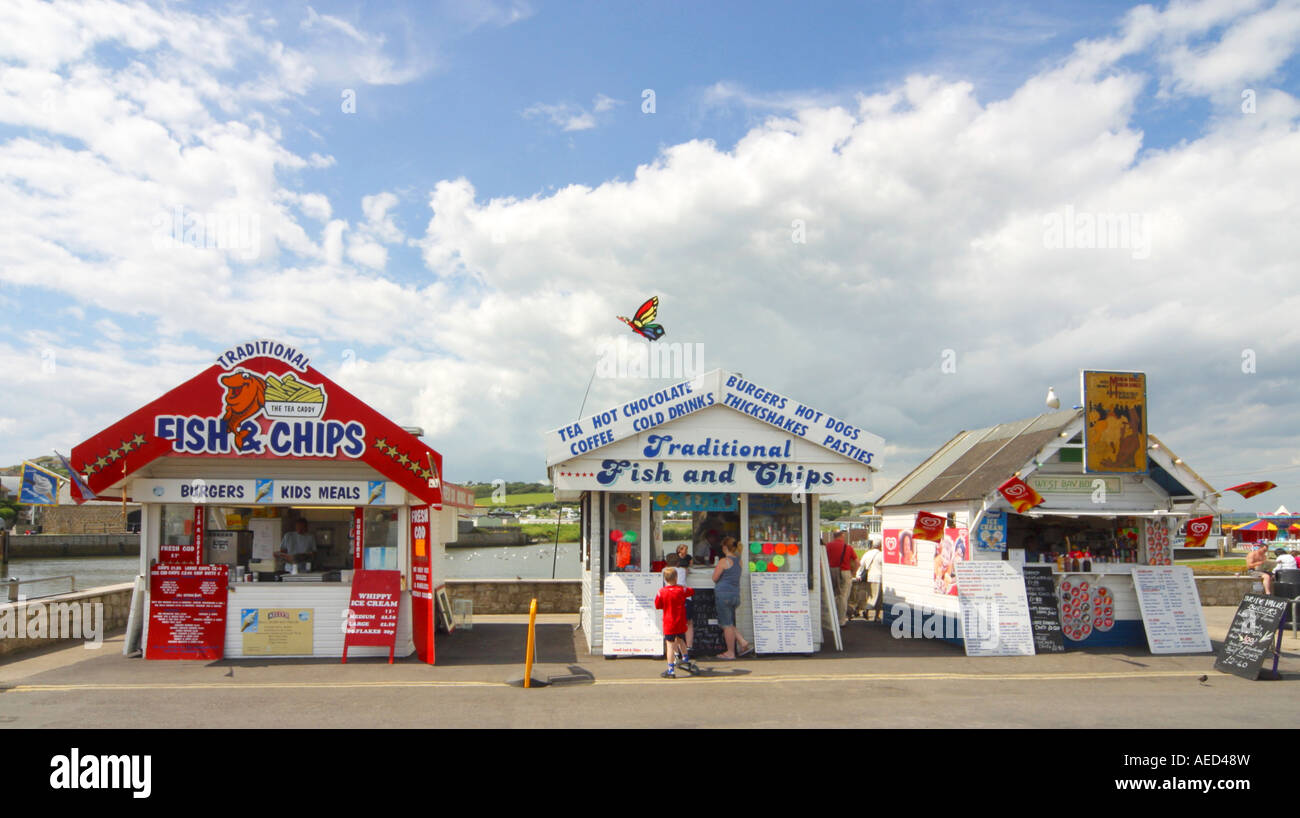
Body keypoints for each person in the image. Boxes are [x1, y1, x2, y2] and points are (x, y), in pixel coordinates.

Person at [711, 537, 753, 658]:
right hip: (735, 595)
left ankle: (730, 652)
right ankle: (742, 641)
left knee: (726, 625)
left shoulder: (724, 561)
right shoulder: (739, 561)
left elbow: (714, 578)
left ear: (724, 548)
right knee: (728, 621)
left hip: (723, 594)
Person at [654, 567, 697, 678]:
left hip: (669, 623)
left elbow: (657, 605)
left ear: (665, 579)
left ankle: (670, 670)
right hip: (680, 621)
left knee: (670, 646)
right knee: (681, 639)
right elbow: (691, 591)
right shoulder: (681, 590)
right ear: (676, 578)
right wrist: (682, 586)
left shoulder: (661, 592)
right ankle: (686, 659)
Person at [825, 530, 858, 627]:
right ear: (842, 536)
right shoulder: (847, 547)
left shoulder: (827, 546)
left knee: (832, 595)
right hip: (844, 571)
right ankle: (841, 620)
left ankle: (830, 619)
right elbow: (857, 562)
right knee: (843, 596)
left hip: (830, 572)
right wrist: (853, 573)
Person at [852, 540, 883, 622]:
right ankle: (876, 616)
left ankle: (866, 611)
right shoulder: (881, 554)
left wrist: (858, 575)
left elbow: (861, 564)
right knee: (878, 598)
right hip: (878, 578)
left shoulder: (867, 553)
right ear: (880, 546)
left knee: (870, 596)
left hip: (869, 577)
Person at [675, 544, 695, 655]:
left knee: (676, 623)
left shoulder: (665, 571)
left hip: (674, 598)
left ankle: (676, 650)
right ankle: (689, 647)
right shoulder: (683, 571)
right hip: (685, 597)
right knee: (689, 622)